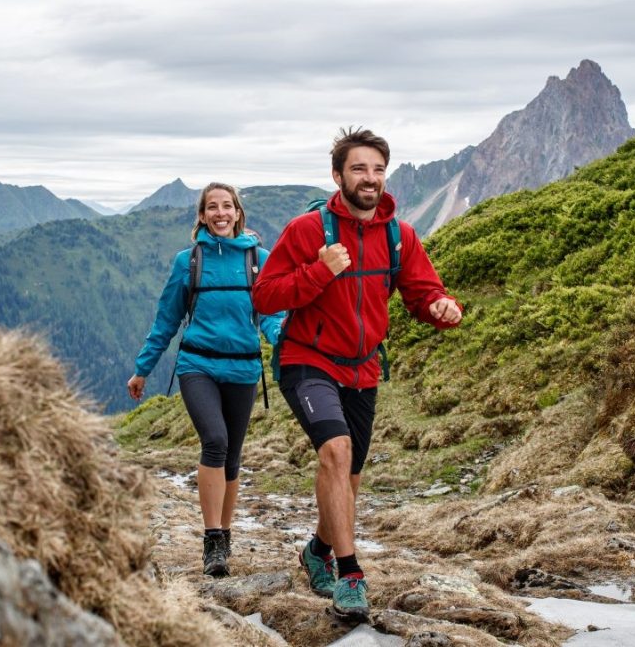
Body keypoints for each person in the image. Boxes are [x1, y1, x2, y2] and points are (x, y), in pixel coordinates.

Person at [252, 128, 462, 621]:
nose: (370, 179)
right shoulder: (309, 231)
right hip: (307, 360)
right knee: (335, 451)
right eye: (359, 169)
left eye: (377, 170)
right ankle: (350, 574)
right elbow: (265, 295)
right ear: (338, 176)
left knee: (350, 478)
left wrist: (440, 306)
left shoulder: (398, 235)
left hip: (363, 367)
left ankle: (317, 551)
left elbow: (420, 291)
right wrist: (320, 271)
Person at [128, 182, 284, 578]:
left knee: (232, 455)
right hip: (197, 366)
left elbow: (269, 314)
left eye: (227, 206)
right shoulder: (189, 261)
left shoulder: (258, 259)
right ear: (201, 215)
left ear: (237, 213)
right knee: (214, 441)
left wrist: (281, 339)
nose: (220, 213)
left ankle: (226, 535)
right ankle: (212, 538)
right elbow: (167, 319)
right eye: (212, 207)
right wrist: (143, 369)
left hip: (244, 368)